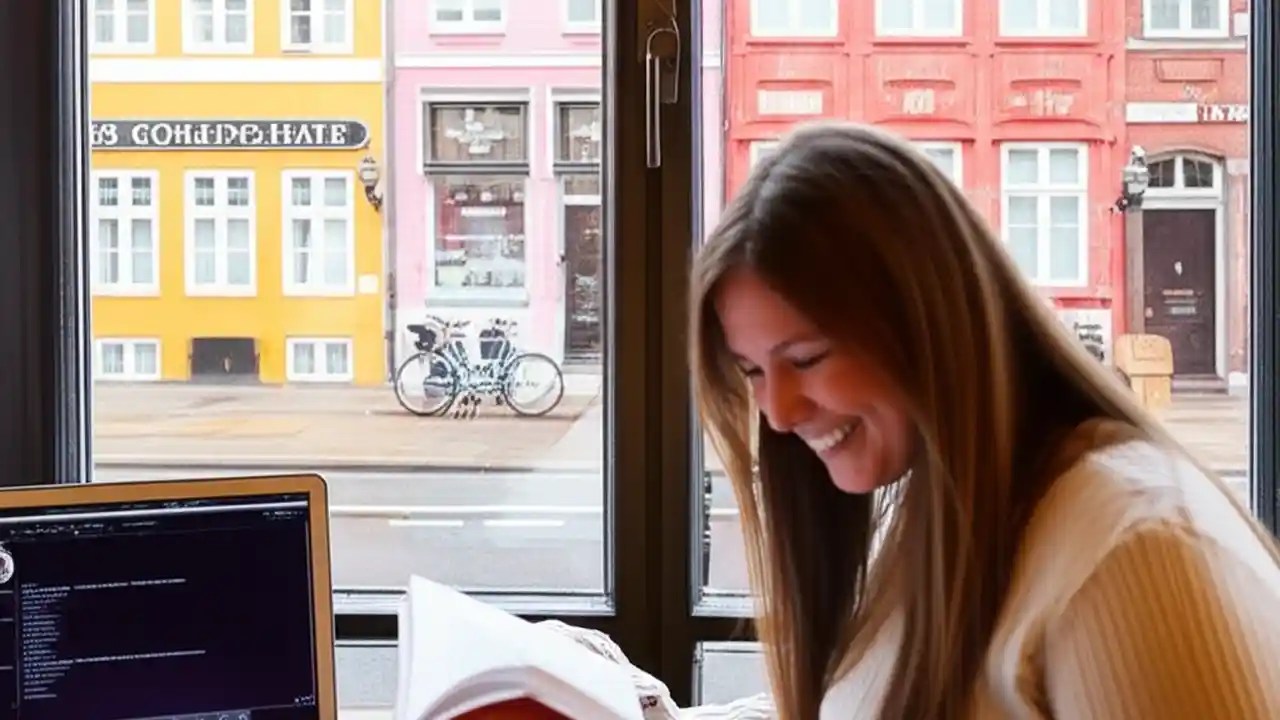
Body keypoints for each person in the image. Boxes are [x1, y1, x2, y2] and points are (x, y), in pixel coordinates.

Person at [553, 120, 1280, 719]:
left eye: (806, 359)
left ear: (927, 320)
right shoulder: (946, 508)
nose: (777, 414)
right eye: (752, 372)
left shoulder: (1135, 553)